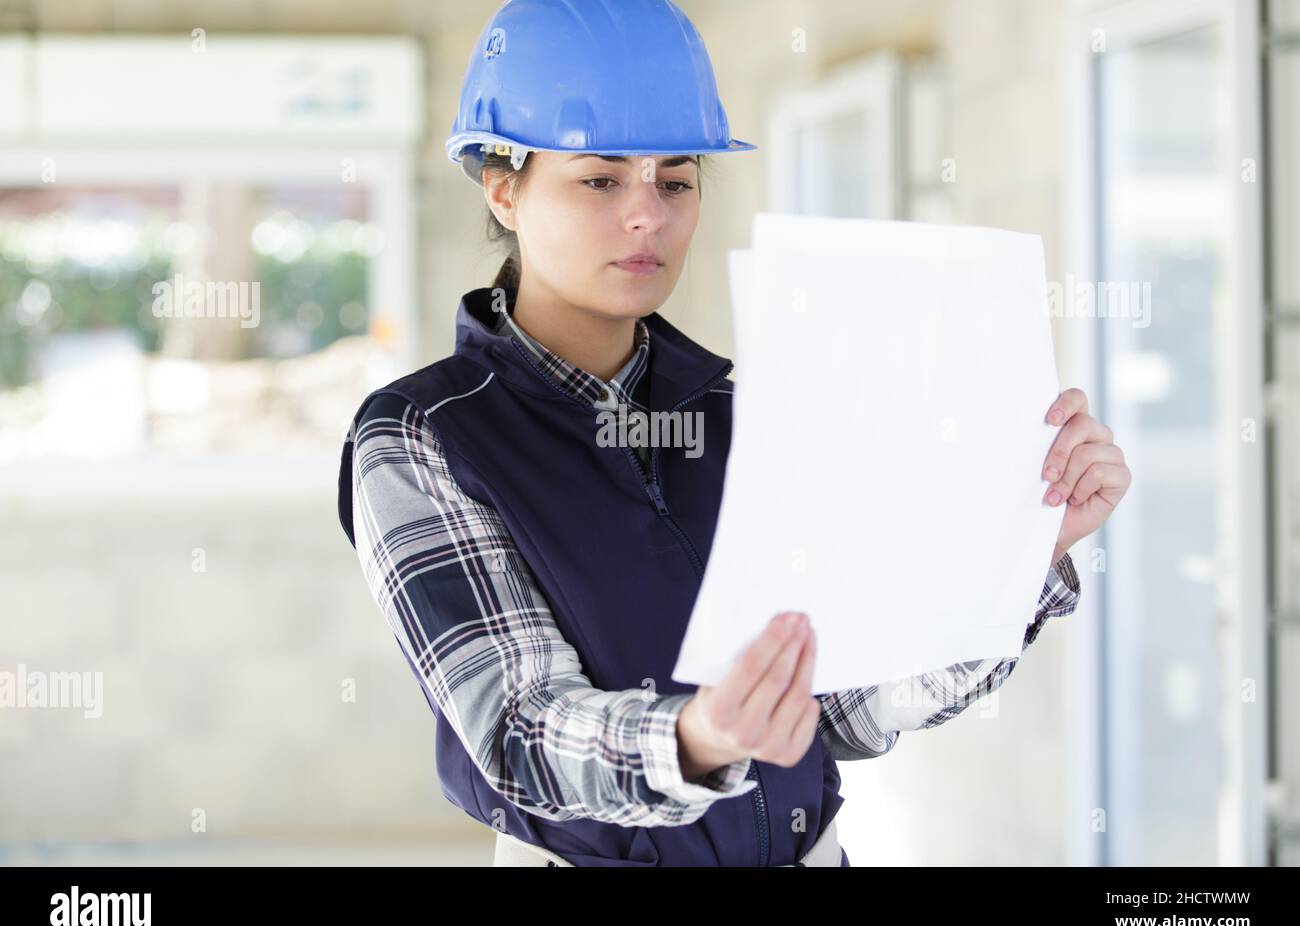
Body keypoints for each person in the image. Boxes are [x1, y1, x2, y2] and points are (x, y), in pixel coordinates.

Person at [336, 0, 1129, 867]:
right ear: (503, 187)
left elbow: (842, 711)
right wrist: (696, 737)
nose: (649, 216)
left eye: (675, 180)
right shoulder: (426, 436)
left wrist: (1019, 556)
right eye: (601, 179)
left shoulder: (743, 411)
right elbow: (521, 728)